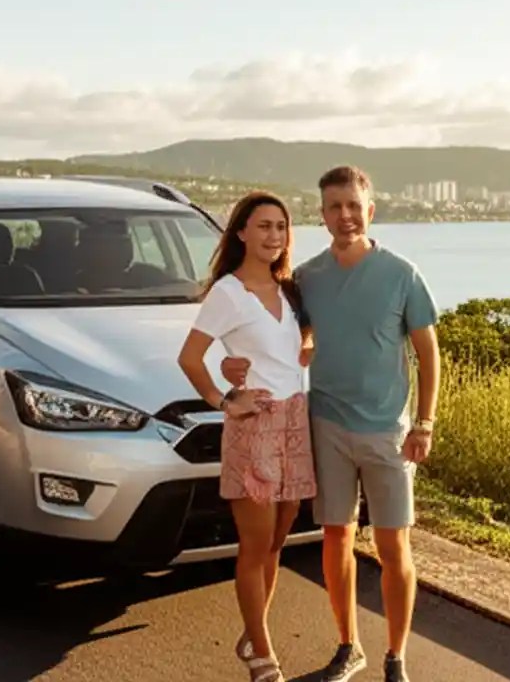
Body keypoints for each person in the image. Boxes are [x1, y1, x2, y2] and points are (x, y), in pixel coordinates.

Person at [222, 165, 440, 682]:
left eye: (353, 205)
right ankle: (349, 647)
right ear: (322, 216)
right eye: (334, 207)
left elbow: (428, 354)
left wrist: (425, 422)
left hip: (388, 430)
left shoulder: (402, 274)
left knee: (392, 547)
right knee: (336, 537)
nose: (345, 216)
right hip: (327, 426)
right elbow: (276, 338)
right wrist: (233, 369)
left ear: (370, 209)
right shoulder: (309, 280)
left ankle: (395, 657)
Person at [177, 191, 317, 682]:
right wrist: (224, 399)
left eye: (280, 227)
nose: (273, 236)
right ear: (240, 232)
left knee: (280, 539)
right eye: (263, 226)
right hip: (254, 427)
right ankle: (262, 653)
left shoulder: (290, 291)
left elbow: (297, 350)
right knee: (255, 544)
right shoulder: (227, 293)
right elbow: (190, 358)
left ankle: (253, 630)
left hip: (295, 423)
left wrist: (308, 353)